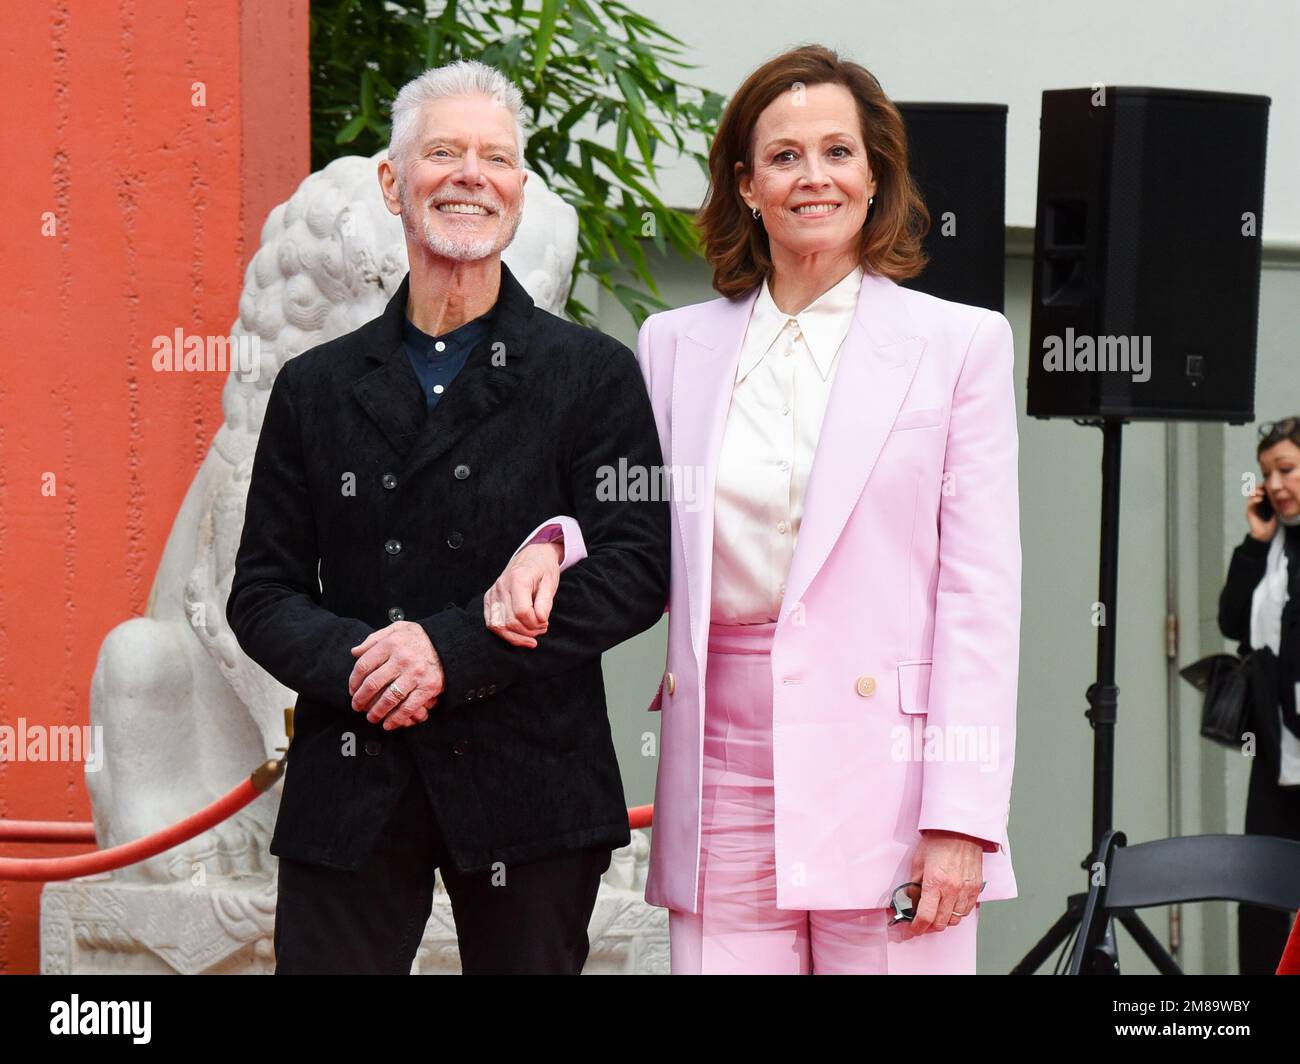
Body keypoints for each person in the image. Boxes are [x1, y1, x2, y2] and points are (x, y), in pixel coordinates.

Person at [485, 45, 1021, 974]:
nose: (813, 176)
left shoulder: (960, 343)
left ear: (874, 173)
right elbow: (624, 517)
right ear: (745, 184)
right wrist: (547, 543)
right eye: (783, 156)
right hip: (720, 764)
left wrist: (962, 821)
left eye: (838, 152)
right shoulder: (672, 345)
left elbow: (981, 598)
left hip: (891, 778)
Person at [225, 59, 670, 974]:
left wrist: (448, 652)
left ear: (517, 190)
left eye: (496, 158)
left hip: (533, 781)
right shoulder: (315, 386)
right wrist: (370, 671)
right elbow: (262, 593)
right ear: (393, 183)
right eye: (443, 152)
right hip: (353, 775)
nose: (472, 175)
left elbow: (635, 569)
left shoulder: (591, 374)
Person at [1216, 416, 1300, 974]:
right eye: (1269, 473)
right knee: (1265, 893)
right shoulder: (1273, 546)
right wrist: (1255, 542)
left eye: (1288, 469)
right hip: (1275, 754)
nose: (1275, 485)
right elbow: (1231, 620)